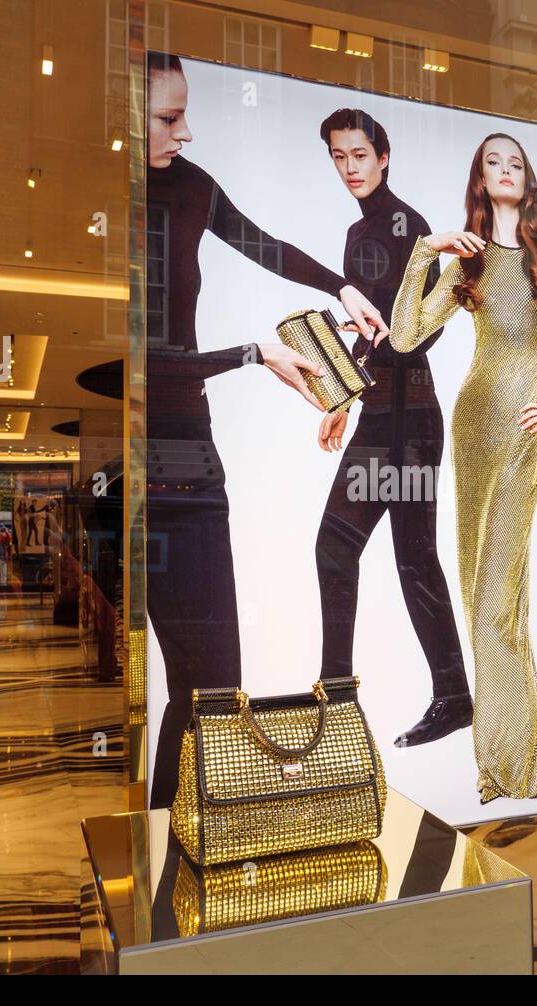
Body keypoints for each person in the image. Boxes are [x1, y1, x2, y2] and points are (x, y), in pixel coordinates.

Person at [144, 53, 387, 808]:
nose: (185, 131)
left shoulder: (189, 189)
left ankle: (163, 864)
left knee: (208, 695)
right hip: (134, 466)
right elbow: (137, 364)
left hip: (196, 463)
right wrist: (253, 354)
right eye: (167, 117)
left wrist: (340, 286)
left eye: (184, 114)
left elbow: (261, 243)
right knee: (198, 693)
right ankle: (155, 863)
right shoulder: (107, 203)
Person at [390, 133, 537, 806]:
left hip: (517, 437)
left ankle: (519, 759)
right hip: (471, 428)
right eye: (492, 161)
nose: (504, 169)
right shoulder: (470, 265)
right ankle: (519, 751)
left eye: (515, 161)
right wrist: (425, 253)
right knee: (477, 590)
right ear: (480, 180)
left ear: (527, 179)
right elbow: (403, 336)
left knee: (496, 608)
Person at [312, 108, 472, 748]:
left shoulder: (415, 228)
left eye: (359, 154)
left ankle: (335, 704)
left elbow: (419, 332)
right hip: (384, 412)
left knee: (363, 552)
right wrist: (340, 391)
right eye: (338, 157)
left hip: (408, 420)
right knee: (408, 561)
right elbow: (373, 333)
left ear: (384, 157)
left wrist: (356, 374)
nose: (350, 167)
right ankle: (451, 696)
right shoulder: (355, 235)